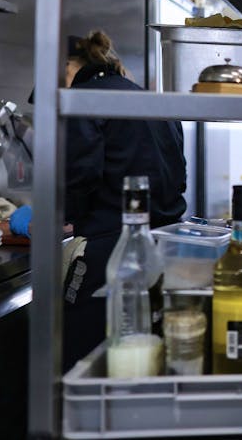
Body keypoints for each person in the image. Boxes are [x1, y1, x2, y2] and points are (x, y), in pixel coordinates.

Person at [61, 31, 187, 370]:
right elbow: (181, 176)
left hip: (110, 253)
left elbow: (79, 176)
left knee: (86, 360)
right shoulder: (154, 102)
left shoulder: (82, 100)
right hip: (164, 249)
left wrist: (59, 213)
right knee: (146, 352)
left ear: (71, 67)